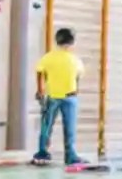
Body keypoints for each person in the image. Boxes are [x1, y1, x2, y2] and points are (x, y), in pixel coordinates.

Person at [33, 27, 85, 167]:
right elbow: (77, 77)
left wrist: (40, 90)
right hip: (70, 96)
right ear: (73, 42)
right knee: (70, 128)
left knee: (46, 126)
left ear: (56, 40)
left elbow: (40, 73)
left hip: (52, 96)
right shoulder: (75, 60)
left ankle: (42, 152)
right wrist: (76, 91)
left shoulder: (48, 57)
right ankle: (70, 155)